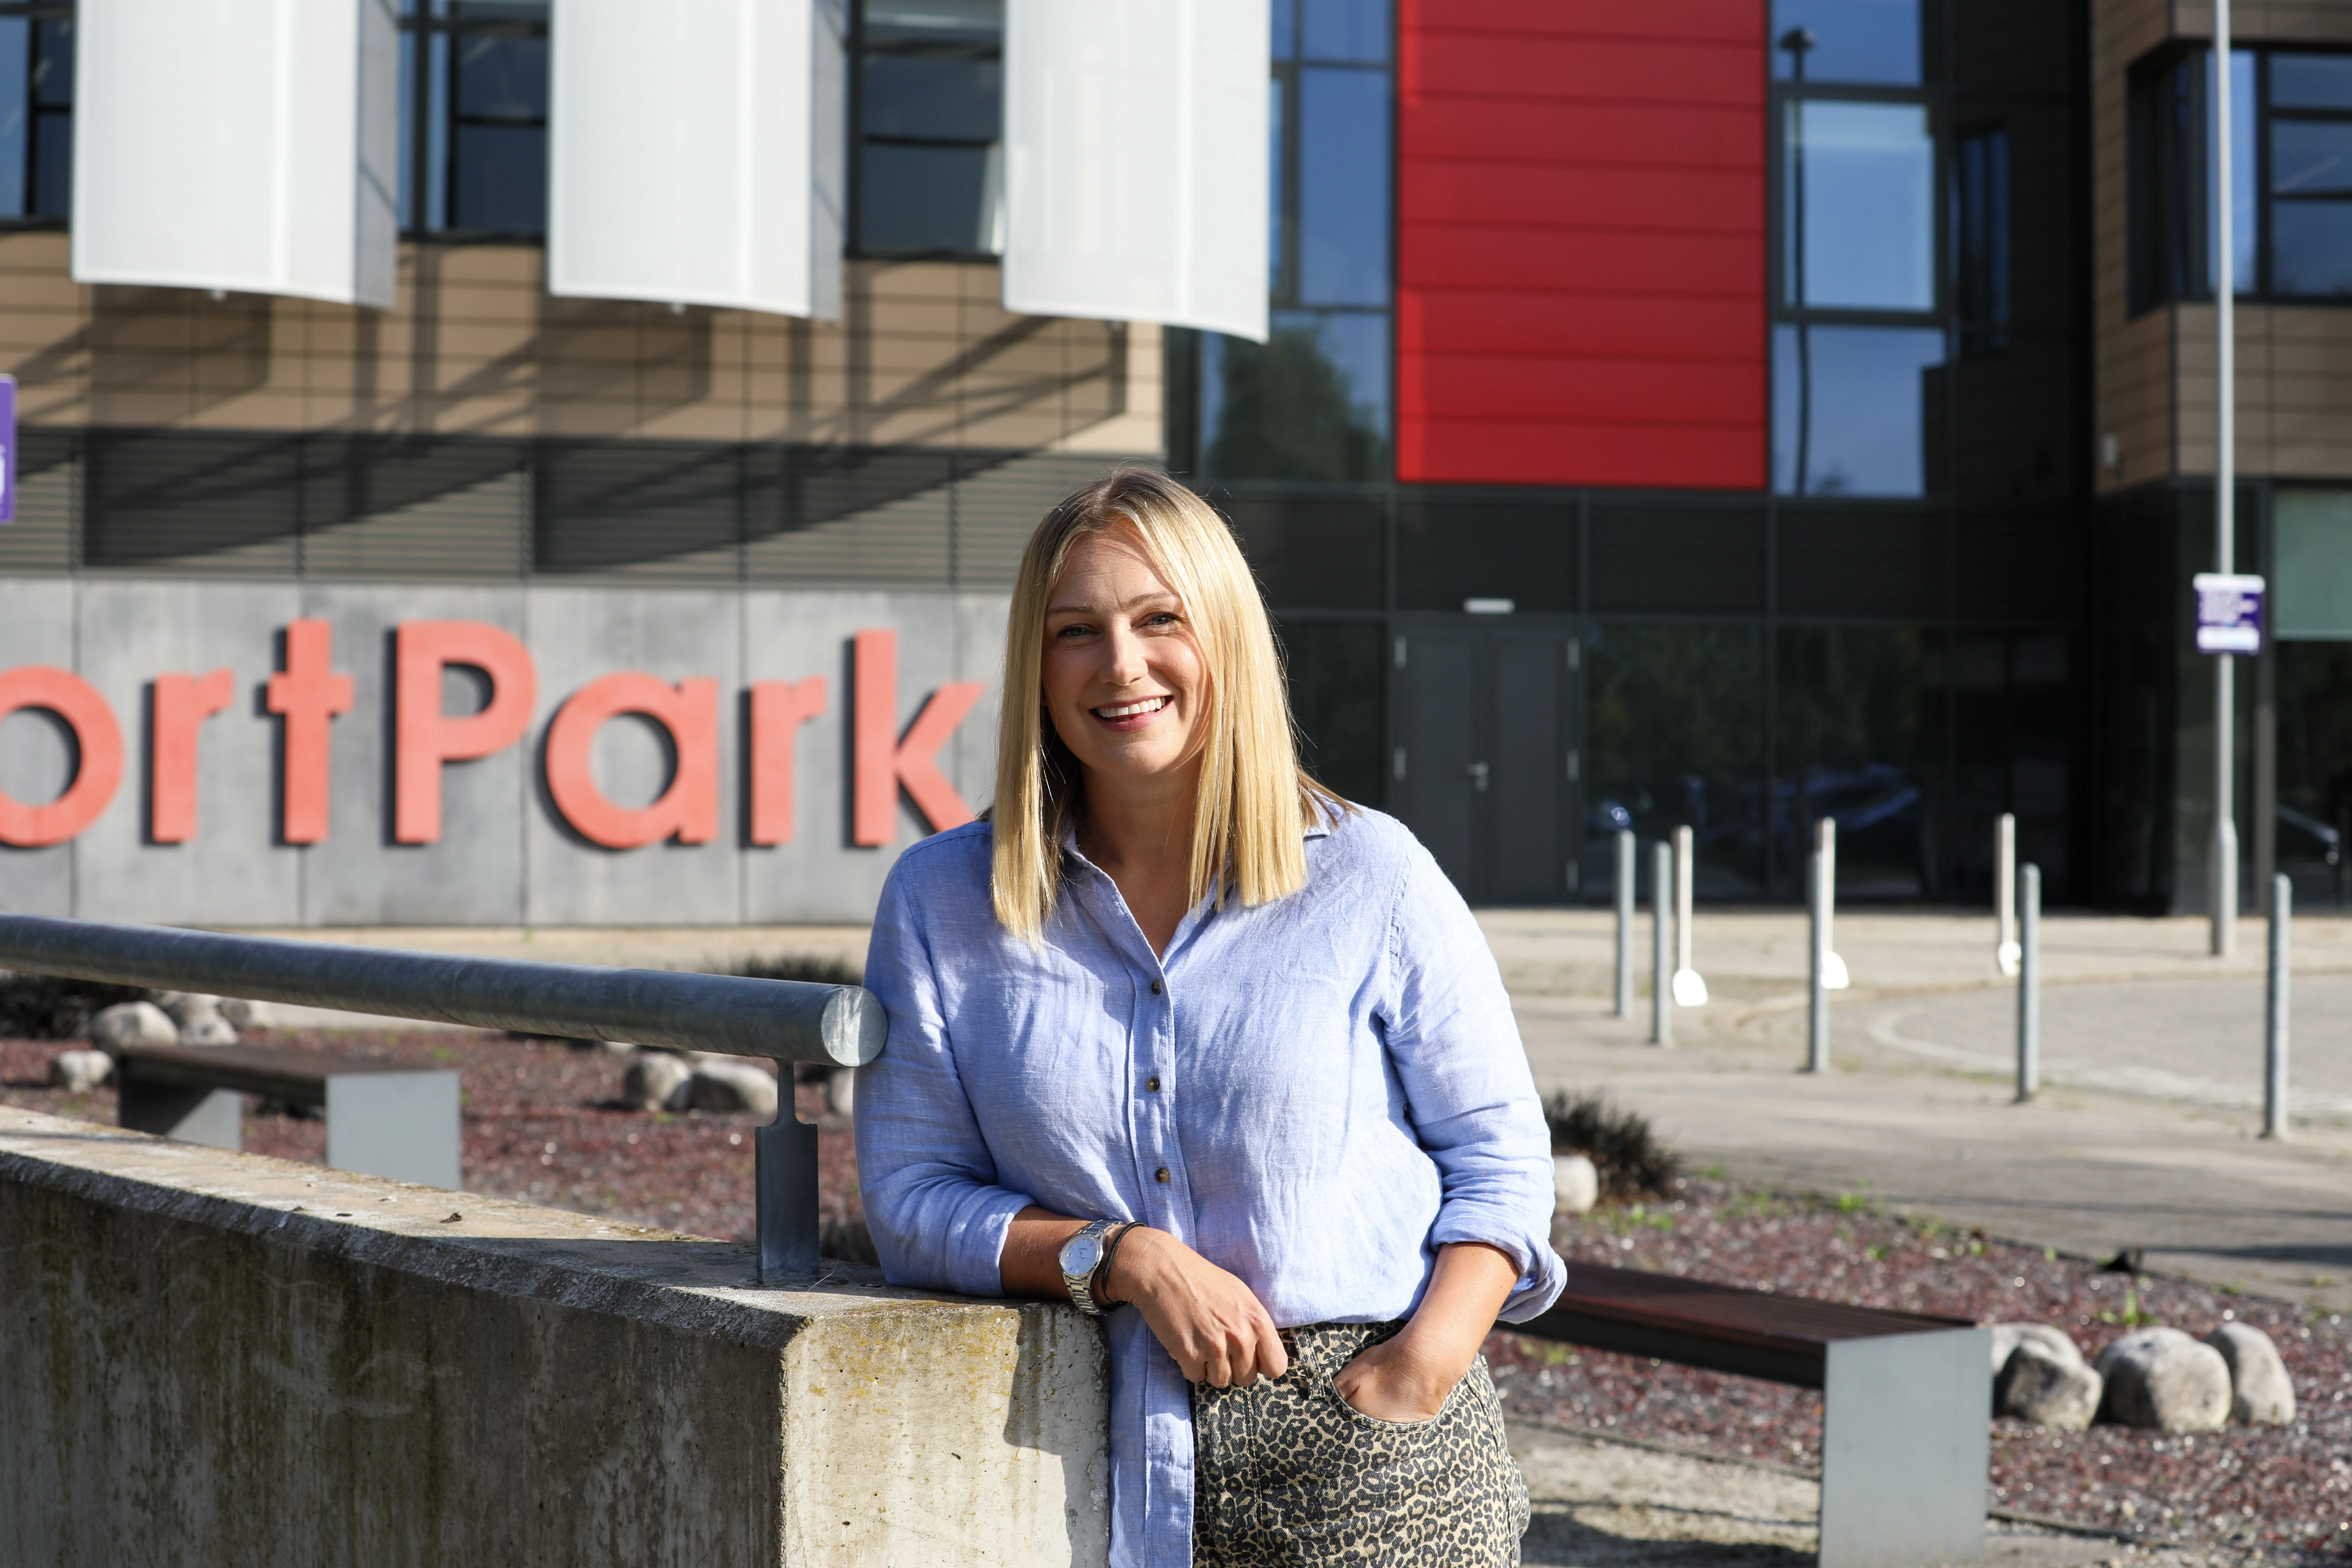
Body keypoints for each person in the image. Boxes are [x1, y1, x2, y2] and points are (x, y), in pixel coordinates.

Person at [855, 466, 1564, 1567]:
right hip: (1085, 1452)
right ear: (1035, 669)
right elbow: (909, 1199)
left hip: (1372, 1450)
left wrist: (1421, 1369)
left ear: (1223, 637)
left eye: (1159, 620)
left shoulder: (1370, 874)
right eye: (1075, 631)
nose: (1122, 665)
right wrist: (1122, 1256)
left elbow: (1503, 1158)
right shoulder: (946, 901)